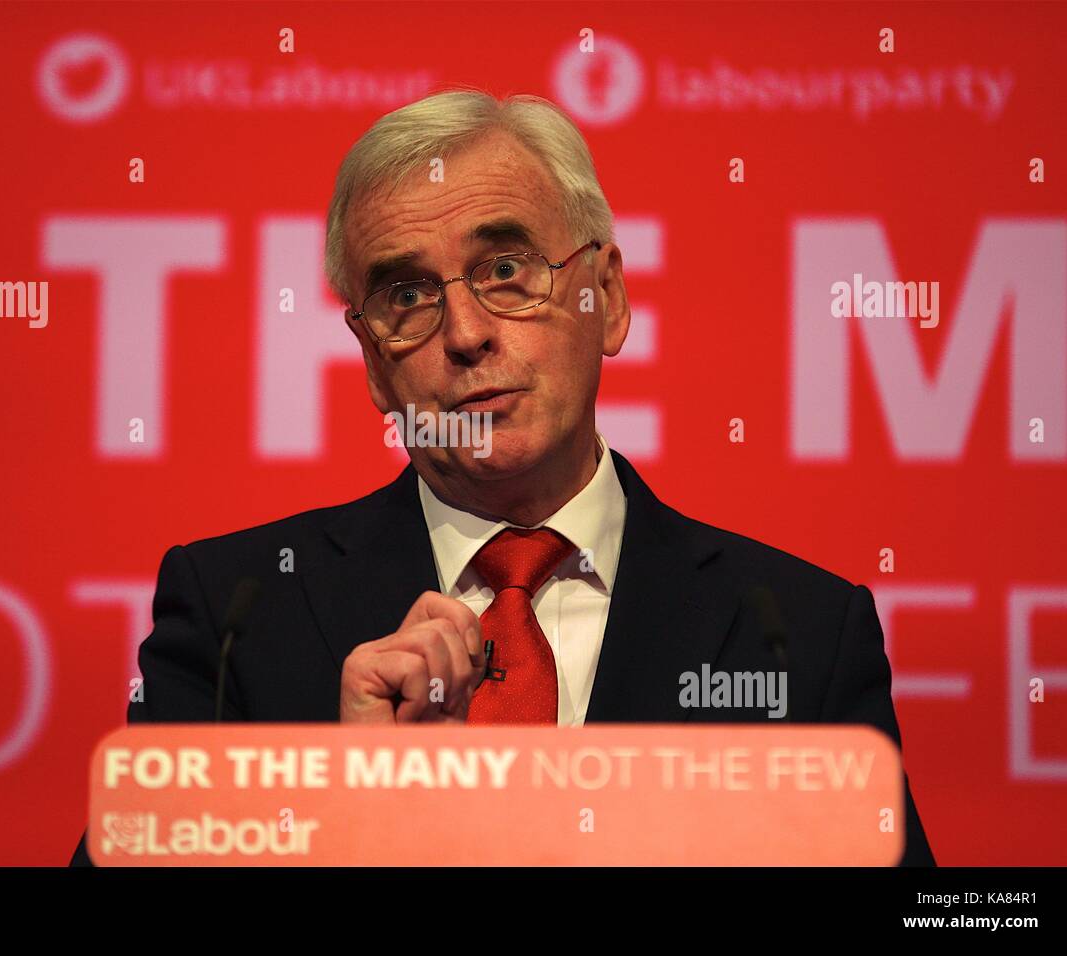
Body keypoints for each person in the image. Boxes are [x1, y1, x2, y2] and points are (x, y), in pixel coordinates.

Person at [71, 88, 934, 865]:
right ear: (372, 364)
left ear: (608, 298)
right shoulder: (238, 617)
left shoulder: (800, 637)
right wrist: (344, 822)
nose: (465, 333)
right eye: (407, 295)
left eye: (506, 271)